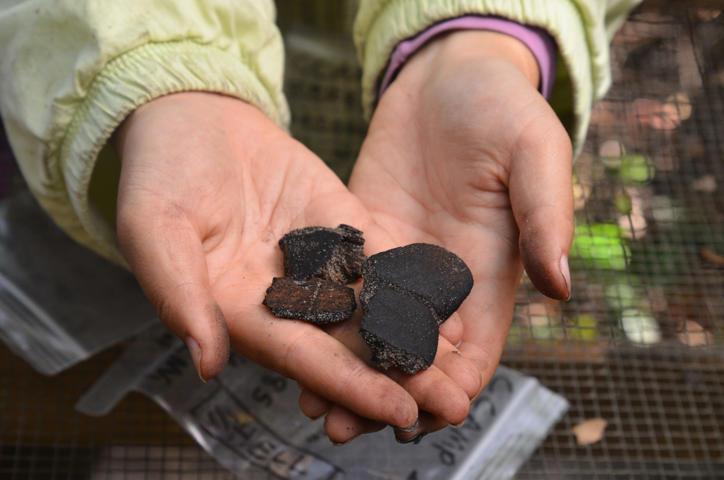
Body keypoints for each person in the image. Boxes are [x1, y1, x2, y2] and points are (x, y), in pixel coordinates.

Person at [0, 0, 641, 444]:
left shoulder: (375, 272)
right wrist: (152, 79)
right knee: (162, 272)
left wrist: (483, 36)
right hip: (107, 139)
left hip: (397, 139)